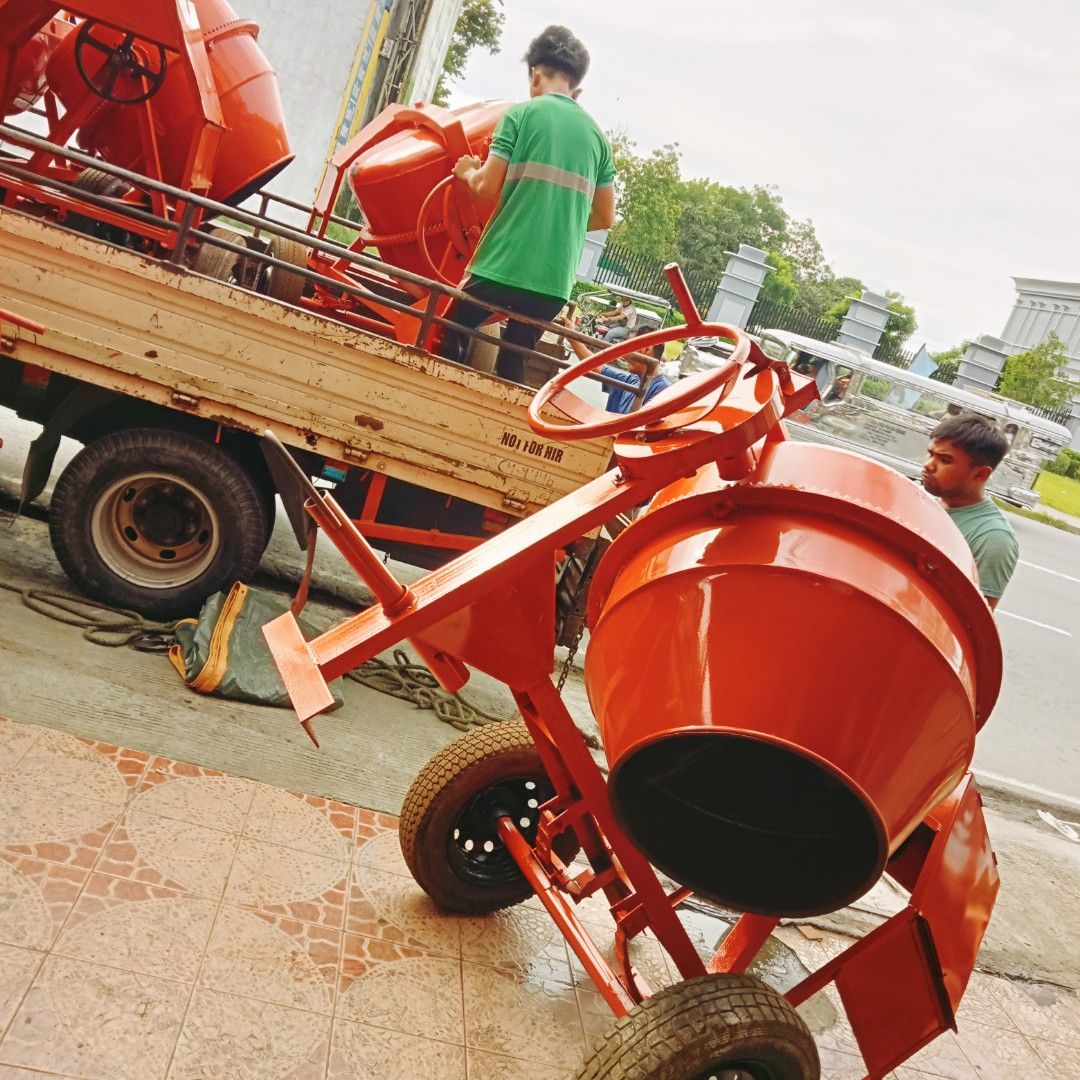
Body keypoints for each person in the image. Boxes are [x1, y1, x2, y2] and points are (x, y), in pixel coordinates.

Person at [439, 25, 616, 384]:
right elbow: (604, 217)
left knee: (451, 332)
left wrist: (468, 171)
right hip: (553, 283)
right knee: (514, 358)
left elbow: (487, 188)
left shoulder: (521, 116)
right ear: (576, 90)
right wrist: (555, 214)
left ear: (535, 75)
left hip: (503, 267)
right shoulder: (599, 140)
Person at [921, 413, 1019, 609]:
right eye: (931, 454)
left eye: (945, 460)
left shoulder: (993, 537)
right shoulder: (921, 502)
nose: (928, 465)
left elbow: (973, 624)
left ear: (981, 474)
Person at [560, 320, 671, 414]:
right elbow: (594, 366)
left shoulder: (663, 392)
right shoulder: (632, 381)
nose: (625, 355)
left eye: (630, 348)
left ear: (646, 350)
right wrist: (571, 335)